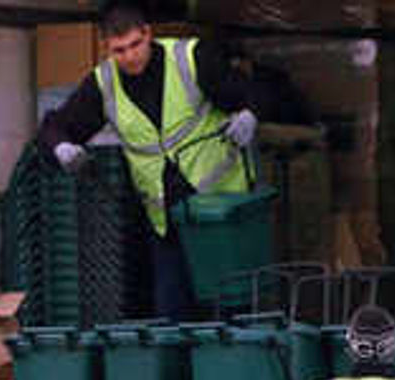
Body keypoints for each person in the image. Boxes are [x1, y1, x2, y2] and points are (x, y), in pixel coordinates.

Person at [36, 0, 264, 321]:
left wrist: (249, 114)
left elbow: (254, 91)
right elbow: (56, 126)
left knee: (231, 313)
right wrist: (62, 147)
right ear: (105, 49)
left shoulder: (191, 58)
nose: (130, 57)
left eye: (135, 45)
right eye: (119, 50)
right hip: (165, 222)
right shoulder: (103, 84)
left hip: (220, 214)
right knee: (173, 317)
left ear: (148, 33)